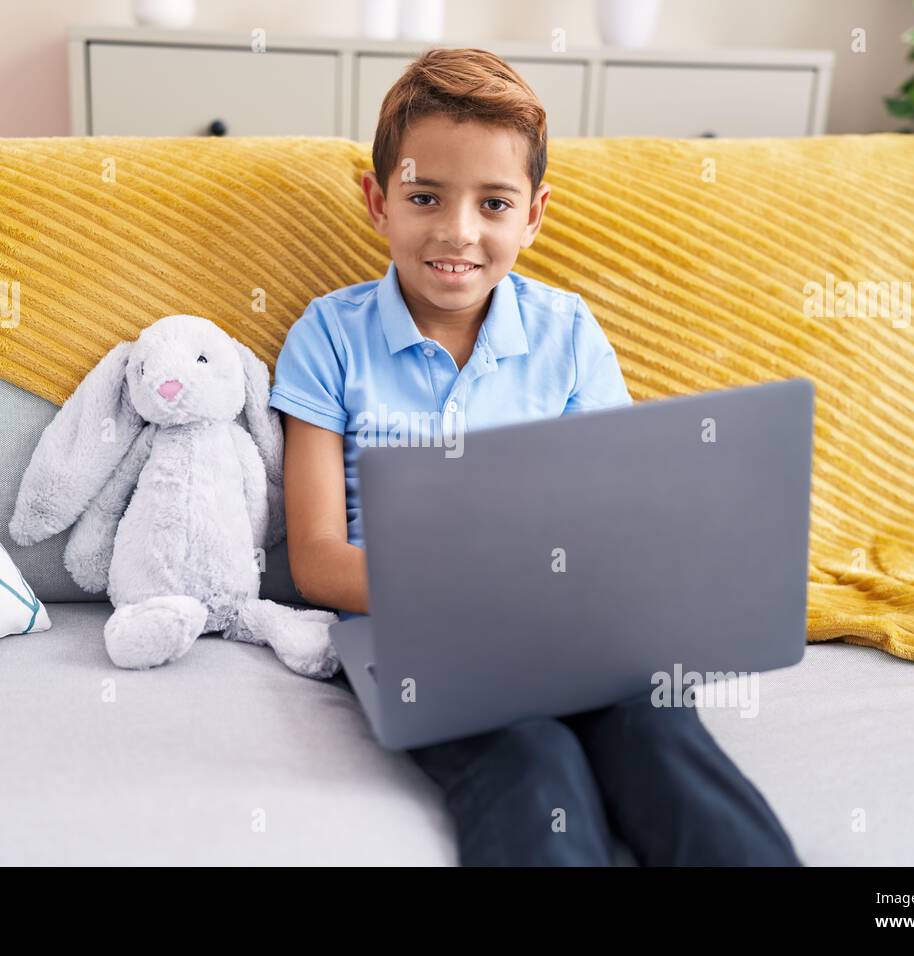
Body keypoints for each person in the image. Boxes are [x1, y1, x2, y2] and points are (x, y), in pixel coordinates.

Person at [267, 47, 801, 867]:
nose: (458, 232)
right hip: (419, 641)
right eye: (424, 197)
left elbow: (620, 527)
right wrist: (469, 598)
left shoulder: (570, 332)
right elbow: (316, 560)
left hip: (574, 635)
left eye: (493, 203)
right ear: (378, 203)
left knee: (661, 740)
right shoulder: (328, 338)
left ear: (534, 215)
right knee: (531, 762)